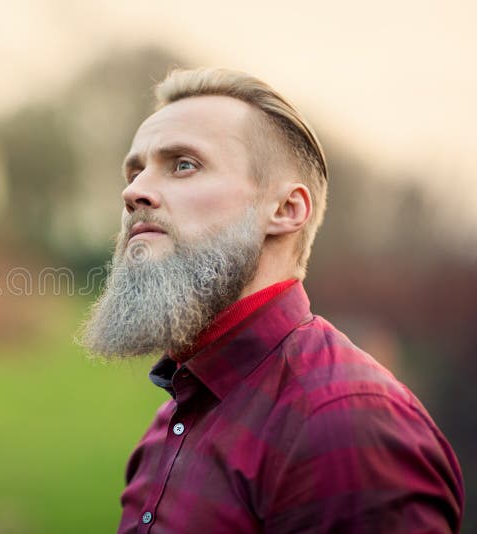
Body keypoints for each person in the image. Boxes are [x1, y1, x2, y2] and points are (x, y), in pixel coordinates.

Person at [79, 68, 464, 533]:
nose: (133, 190)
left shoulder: (346, 422)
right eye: (135, 170)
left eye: (183, 164)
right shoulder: (173, 417)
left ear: (285, 210)